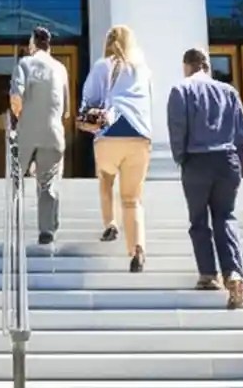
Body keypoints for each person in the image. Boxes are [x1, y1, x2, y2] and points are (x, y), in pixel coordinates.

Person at [167, 48, 243, 307]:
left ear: (187, 66)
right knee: (225, 216)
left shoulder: (180, 90)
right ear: (206, 65)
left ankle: (208, 274)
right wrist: (235, 158)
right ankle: (235, 274)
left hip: (197, 161)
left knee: (199, 219)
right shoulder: (229, 91)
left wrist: (181, 157)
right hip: (227, 160)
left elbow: (177, 128)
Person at [79, 25, 154, 273]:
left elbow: (88, 100)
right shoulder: (142, 69)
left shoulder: (103, 65)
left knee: (106, 178)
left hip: (109, 136)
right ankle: (137, 250)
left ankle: (110, 223)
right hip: (139, 138)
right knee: (132, 199)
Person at [9, 27, 70, 245]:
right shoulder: (61, 68)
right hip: (53, 133)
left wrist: (20, 119)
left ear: (33, 43)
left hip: (27, 131)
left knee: (15, 179)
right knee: (48, 182)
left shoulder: (24, 64)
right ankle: (47, 231)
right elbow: (66, 111)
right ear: (49, 44)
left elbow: (16, 97)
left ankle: (13, 224)